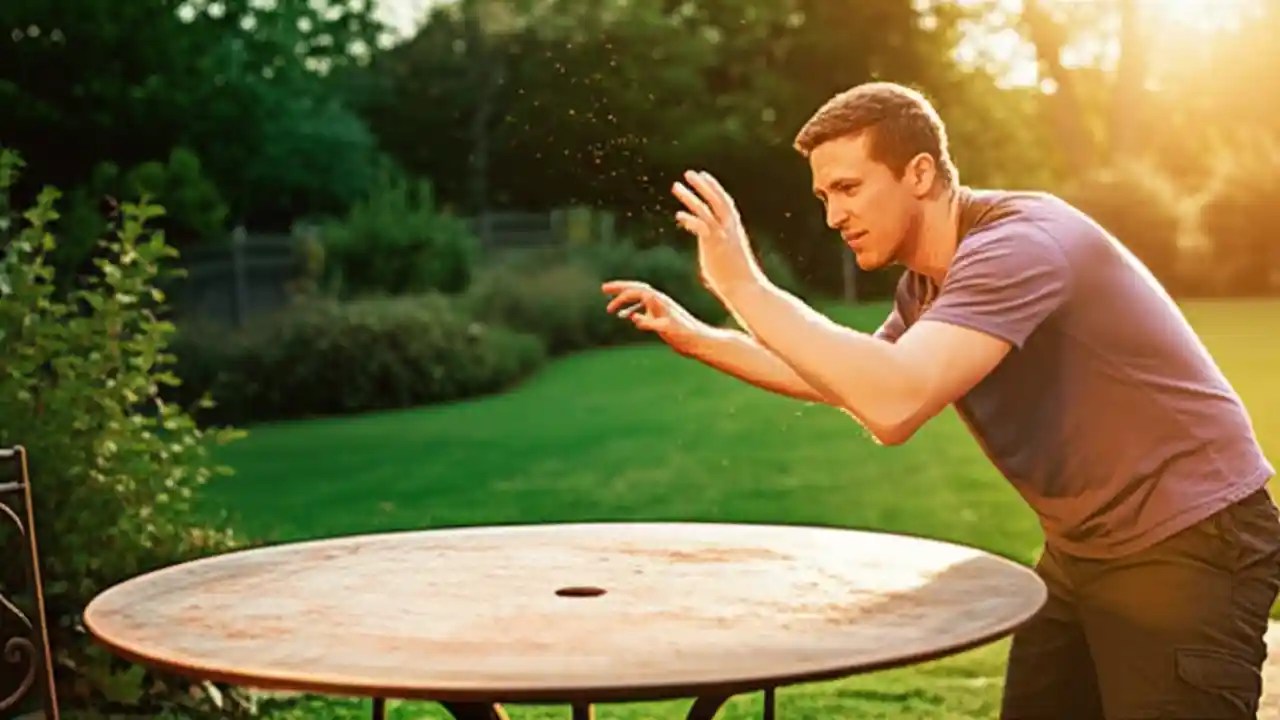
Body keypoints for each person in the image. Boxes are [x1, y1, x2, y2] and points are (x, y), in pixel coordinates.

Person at [600, 81, 1280, 718]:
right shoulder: (928, 285)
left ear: (919, 174)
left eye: (848, 188)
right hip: (1086, 550)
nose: (834, 215)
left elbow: (894, 403)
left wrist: (743, 285)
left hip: (1193, 544)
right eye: (823, 197)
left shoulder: (1019, 246)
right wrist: (697, 337)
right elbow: (849, 375)